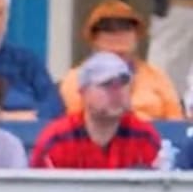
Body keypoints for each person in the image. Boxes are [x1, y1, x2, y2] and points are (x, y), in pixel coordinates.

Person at [31, 52, 161, 170]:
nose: (117, 91)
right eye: (106, 84)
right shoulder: (57, 138)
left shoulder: (144, 136)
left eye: (123, 83)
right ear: (83, 93)